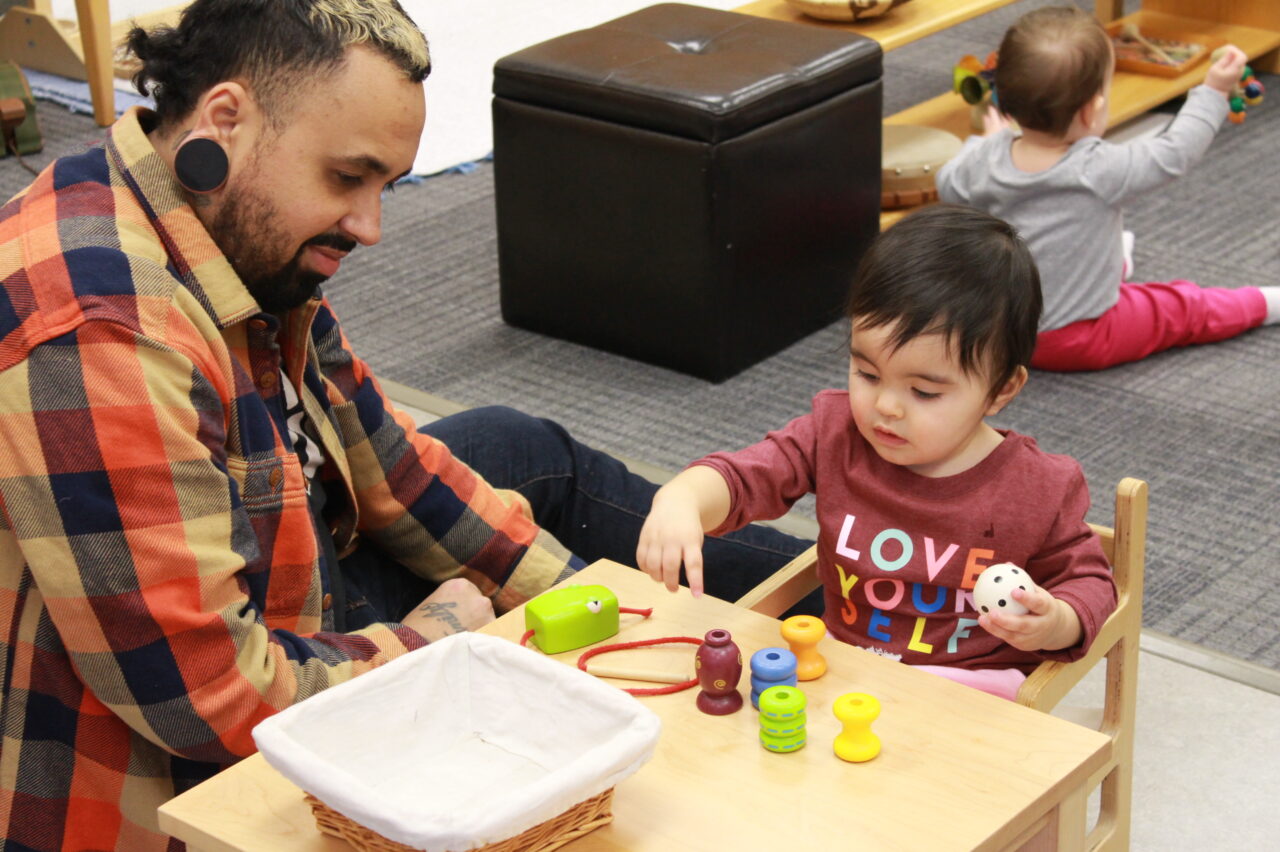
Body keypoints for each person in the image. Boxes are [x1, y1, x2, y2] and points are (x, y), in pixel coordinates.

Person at [0, 2, 810, 849]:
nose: (373, 227)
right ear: (226, 120)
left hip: (285, 576)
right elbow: (215, 701)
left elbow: (391, 464)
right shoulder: (101, 336)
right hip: (177, 768)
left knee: (520, 450)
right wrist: (445, 638)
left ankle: (841, 596)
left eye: (385, 185)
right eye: (348, 178)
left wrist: (606, 615)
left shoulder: (196, 208)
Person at [637, 204, 1118, 701]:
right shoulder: (835, 432)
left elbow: (1092, 582)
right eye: (867, 374)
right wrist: (684, 498)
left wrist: (1055, 623)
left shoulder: (1038, 487)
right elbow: (745, 477)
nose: (885, 406)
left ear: (1001, 389)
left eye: (924, 393)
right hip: (842, 670)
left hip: (970, 691)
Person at [935, 4, 1280, 371]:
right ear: (1091, 109)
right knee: (1180, 307)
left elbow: (947, 183)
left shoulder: (985, 158)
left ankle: (1115, 260)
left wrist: (983, 141)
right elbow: (1174, 152)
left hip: (1001, 333)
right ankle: (1268, 303)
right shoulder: (1096, 169)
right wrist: (1213, 92)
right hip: (1080, 337)